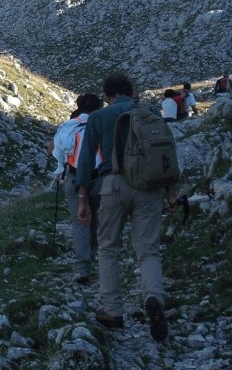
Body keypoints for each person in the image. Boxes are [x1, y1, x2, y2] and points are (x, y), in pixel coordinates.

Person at [75, 74, 170, 342]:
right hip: (149, 186)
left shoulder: (99, 117)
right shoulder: (149, 111)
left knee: (108, 249)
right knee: (148, 249)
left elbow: (85, 159)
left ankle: (112, 311)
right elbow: (165, 154)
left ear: (107, 96)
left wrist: (83, 197)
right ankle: (153, 296)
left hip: (113, 184)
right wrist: (171, 192)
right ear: (131, 92)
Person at [50, 93, 104, 283]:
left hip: (73, 177)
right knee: (95, 218)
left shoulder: (69, 126)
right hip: (98, 179)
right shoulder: (101, 124)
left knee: (80, 221)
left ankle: (82, 268)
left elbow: (55, 149)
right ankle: (95, 255)